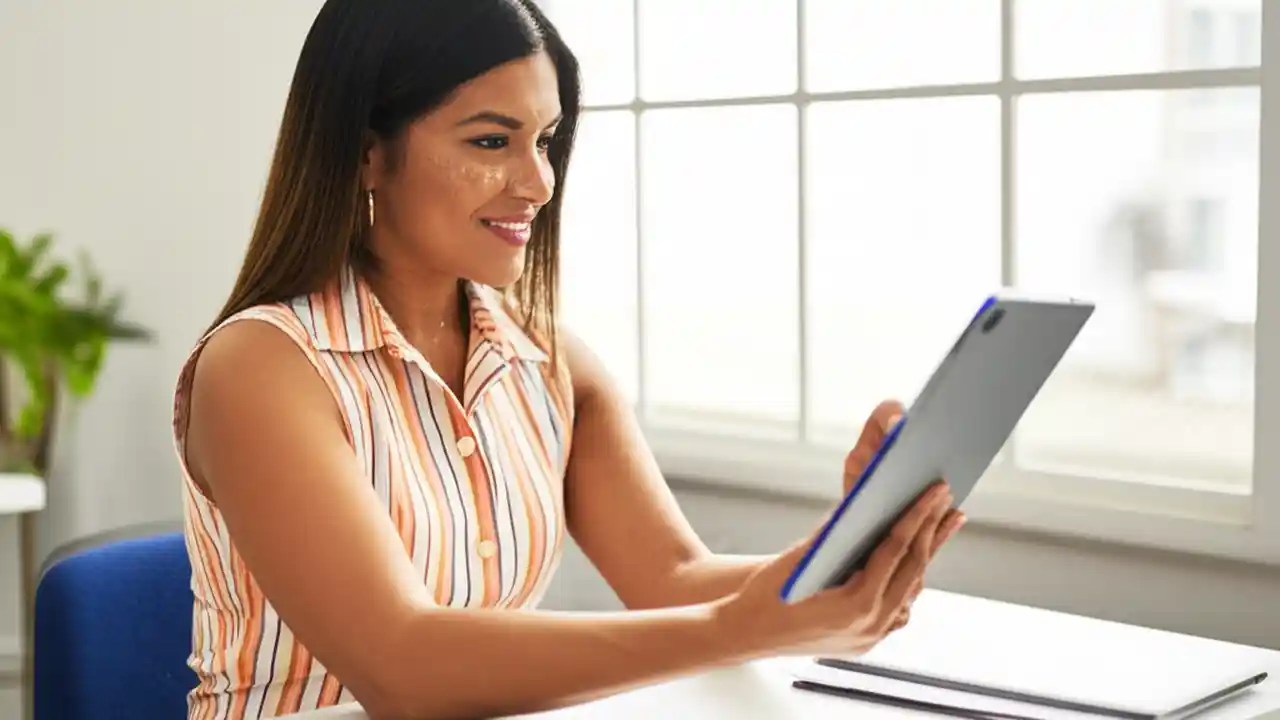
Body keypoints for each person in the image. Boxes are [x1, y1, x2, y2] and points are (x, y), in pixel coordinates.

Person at [172, 1, 965, 718]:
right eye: (492, 141)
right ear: (368, 154)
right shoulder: (262, 368)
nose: (539, 183)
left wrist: (847, 554)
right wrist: (737, 627)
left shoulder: (551, 365)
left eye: (545, 142)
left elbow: (676, 578)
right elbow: (401, 665)